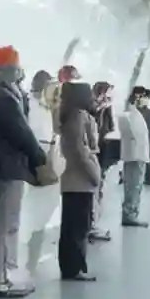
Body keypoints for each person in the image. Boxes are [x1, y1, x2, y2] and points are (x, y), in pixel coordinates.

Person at [0, 46, 47, 299]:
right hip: (4, 170)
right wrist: (38, 155)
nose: (21, 70)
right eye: (17, 66)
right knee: (2, 225)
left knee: (6, 223)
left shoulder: (8, 93)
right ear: (8, 68)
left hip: (8, 169)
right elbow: (20, 130)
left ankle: (4, 275)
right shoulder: (1, 97)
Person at [59, 81, 100, 281]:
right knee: (78, 227)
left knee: (72, 226)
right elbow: (80, 151)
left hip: (73, 181)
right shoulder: (78, 118)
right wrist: (94, 174)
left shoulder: (69, 116)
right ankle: (73, 268)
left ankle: (71, 267)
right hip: (80, 181)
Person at [117, 86, 150, 228]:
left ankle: (131, 213)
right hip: (135, 154)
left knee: (135, 185)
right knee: (133, 185)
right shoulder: (129, 113)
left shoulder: (134, 112)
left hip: (137, 154)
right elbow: (132, 134)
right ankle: (130, 214)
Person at [89, 81, 118, 242]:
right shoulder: (90, 109)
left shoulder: (106, 109)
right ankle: (90, 223)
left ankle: (94, 221)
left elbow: (110, 128)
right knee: (93, 187)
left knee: (99, 187)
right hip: (93, 151)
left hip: (102, 151)